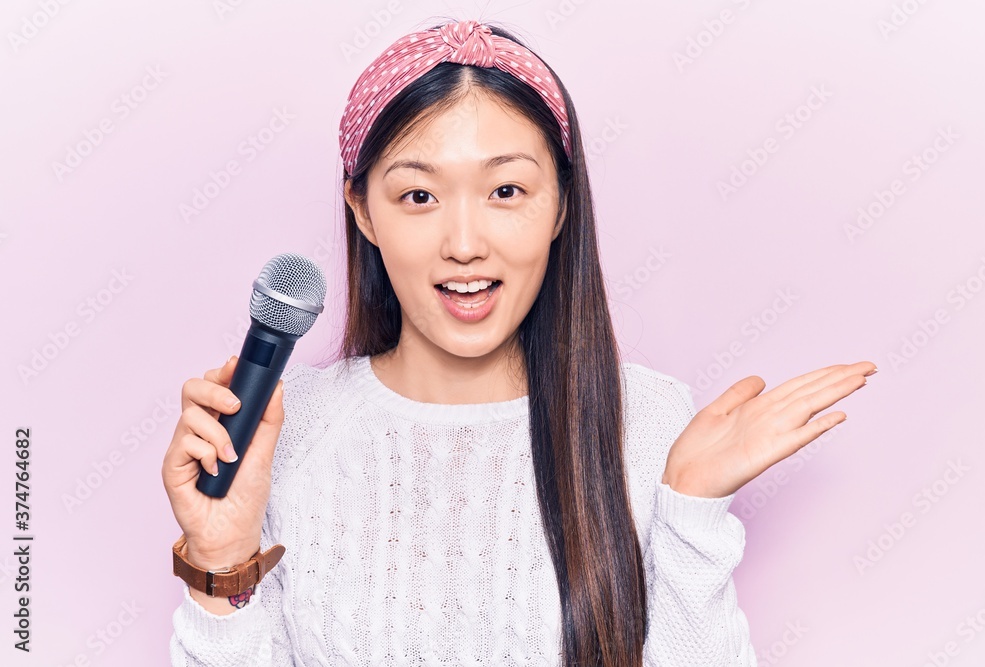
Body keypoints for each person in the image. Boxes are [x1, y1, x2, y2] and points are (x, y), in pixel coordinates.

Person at [162, 18, 876, 666]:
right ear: (364, 211)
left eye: (506, 191)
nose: (465, 245)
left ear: (561, 202)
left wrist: (689, 509)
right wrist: (220, 560)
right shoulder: (279, 430)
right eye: (419, 196)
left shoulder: (653, 423)